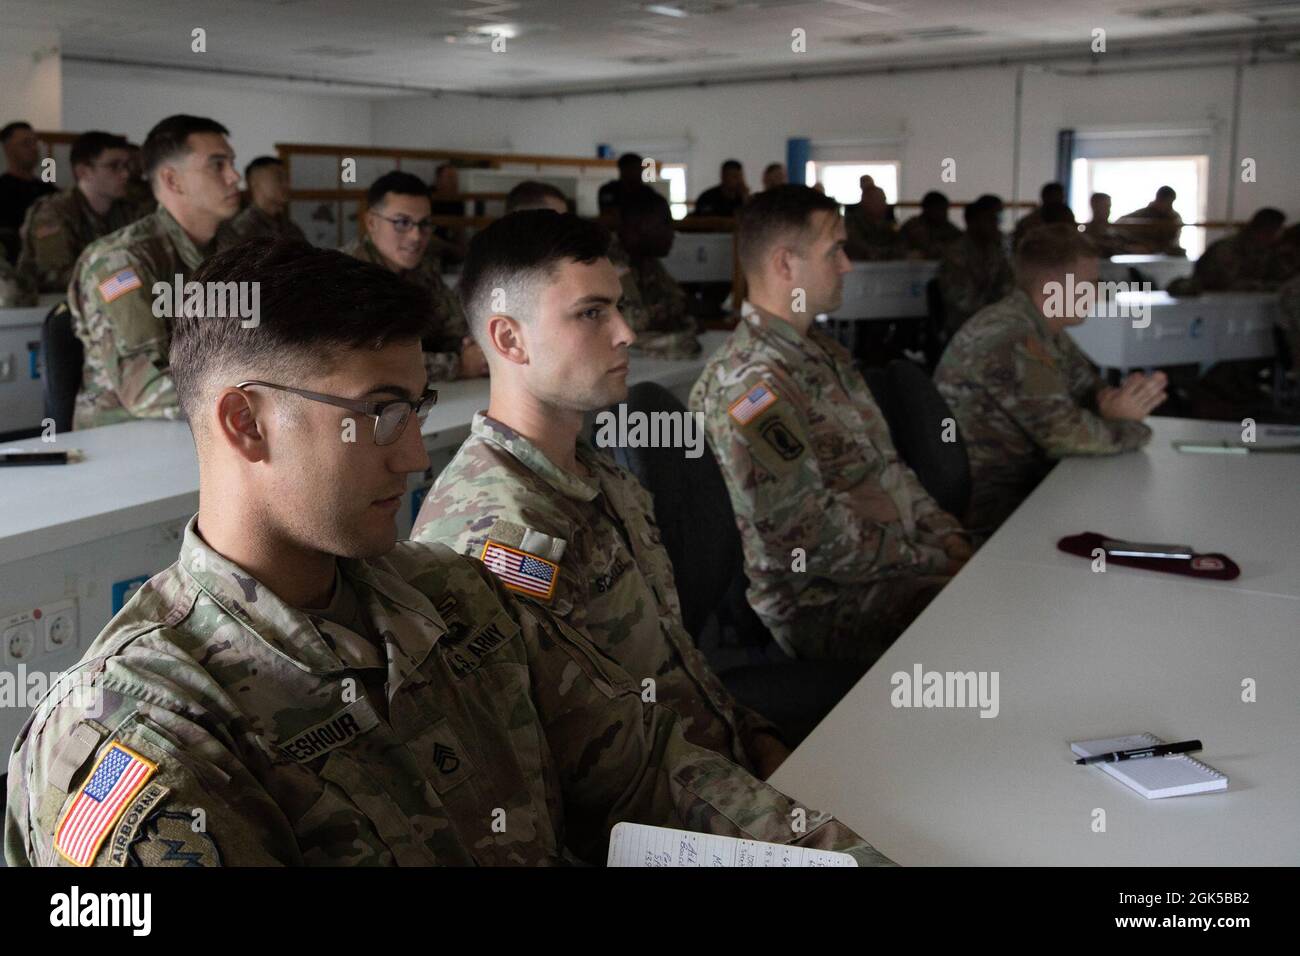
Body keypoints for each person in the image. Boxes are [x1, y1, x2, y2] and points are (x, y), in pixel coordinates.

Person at [3, 237, 890, 867]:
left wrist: (837, 857)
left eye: (418, 410)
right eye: (379, 414)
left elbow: (643, 768)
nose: (417, 454)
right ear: (245, 421)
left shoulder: (453, 598)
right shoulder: (143, 731)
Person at [410, 211, 788, 776]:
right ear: (510, 339)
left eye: (617, 307)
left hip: (713, 766)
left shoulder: (601, 474)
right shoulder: (500, 532)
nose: (625, 332)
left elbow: (673, 664)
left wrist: (756, 739)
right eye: (591, 313)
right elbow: (592, 778)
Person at [690, 185, 969, 665]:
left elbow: (889, 468)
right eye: (834, 250)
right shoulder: (752, 385)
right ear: (785, 264)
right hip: (822, 603)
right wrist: (935, 559)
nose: (847, 265)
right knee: (983, 623)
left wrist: (947, 537)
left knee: (1010, 595)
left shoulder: (821, 352)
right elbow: (806, 535)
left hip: (891, 567)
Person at [935, 225, 1166, 535]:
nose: (1097, 294)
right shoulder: (1010, 338)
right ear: (1051, 289)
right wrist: (1126, 424)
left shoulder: (1042, 329)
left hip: (1034, 478)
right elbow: (1067, 436)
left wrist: (1115, 402)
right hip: (996, 501)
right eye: (1090, 284)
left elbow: (1090, 391)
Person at [68, 114, 240, 429]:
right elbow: (145, 390)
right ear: (173, 181)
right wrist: (264, 398)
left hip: (210, 425)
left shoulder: (238, 251)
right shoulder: (119, 261)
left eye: (231, 163)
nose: (234, 176)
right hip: (126, 437)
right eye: (218, 165)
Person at [341, 171, 486, 382]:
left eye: (424, 224)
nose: (416, 236)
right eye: (402, 223)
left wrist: (473, 349)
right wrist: (459, 365)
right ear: (372, 222)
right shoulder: (347, 273)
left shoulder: (423, 267)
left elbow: (453, 327)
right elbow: (372, 360)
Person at [16, 131, 136, 292]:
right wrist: (126, 279)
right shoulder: (53, 212)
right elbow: (55, 275)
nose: (125, 174)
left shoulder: (127, 209)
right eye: (114, 166)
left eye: (127, 165)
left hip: (106, 302)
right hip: (53, 307)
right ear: (83, 172)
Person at [615, 188, 700, 358]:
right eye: (665, 223)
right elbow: (633, 323)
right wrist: (667, 314)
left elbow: (680, 301)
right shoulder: (610, 262)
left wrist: (672, 312)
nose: (672, 233)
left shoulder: (648, 261)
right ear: (640, 225)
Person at [936, 194, 1015, 338]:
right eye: (990, 219)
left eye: (997, 220)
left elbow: (1008, 287)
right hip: (965, 328)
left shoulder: (995, 251)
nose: (996, 225)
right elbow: (962, 302)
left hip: (993, 321)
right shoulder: (956, 254)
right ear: (973, 222)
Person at [216, 156, 306, 249]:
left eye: (286, 179)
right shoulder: (240, 230)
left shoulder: (290, 227)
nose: (287, 184)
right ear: (254, 182)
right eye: (279, 178)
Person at [1186, 207, 1285, 292]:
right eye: (1278, 230)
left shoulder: (1264, 249)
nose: (1279, 235)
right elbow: (1225, 283)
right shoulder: (1228, 249)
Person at [0, 121, 58, 263]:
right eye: (26, 143)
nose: (33, 148)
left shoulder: (49, 192)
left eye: (35, 143)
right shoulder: (2, 189)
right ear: (8, 148)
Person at [1114, 186, 1185, 255]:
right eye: (1166, 202)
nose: (1169, 206)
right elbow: (1118, 225)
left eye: (1170, 203)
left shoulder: (1174, 218)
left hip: (1162, 254)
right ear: (1158, 199)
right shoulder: (1141, 214)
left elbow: (1173, 241)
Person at [843, 179, 903, 261]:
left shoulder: (889, 222)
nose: (883, 204)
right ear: (865, 202)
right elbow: (858, 247)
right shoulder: (852, 223)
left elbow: (900, 245)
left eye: (883, 200)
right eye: (877, 200)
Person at [898, 190, 962, 259]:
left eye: (944, 210)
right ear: (928, 209)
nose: (944, 214)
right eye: (939, 209)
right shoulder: (912, 227)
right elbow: (899, 250)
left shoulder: (950, 229)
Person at [597, 152, 656, 216]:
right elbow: (609, 216)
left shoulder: (647, 193)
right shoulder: (609, 191)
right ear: (623, 170)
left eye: (639, 169)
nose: (638, 173)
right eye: (633, 169)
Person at [1011, 182, 1064, 249]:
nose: (1056, 200)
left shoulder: (1066, 218)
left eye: (1059, 197)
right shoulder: (1029, 222)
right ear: (1044, 197)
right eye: (1053, 196)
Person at [1082, 192, 1124, 258]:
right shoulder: (1085, 234)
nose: (1108, 211)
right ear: (1094, 206)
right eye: (1103, 206)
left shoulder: (1117, 233)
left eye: (1108, 206)